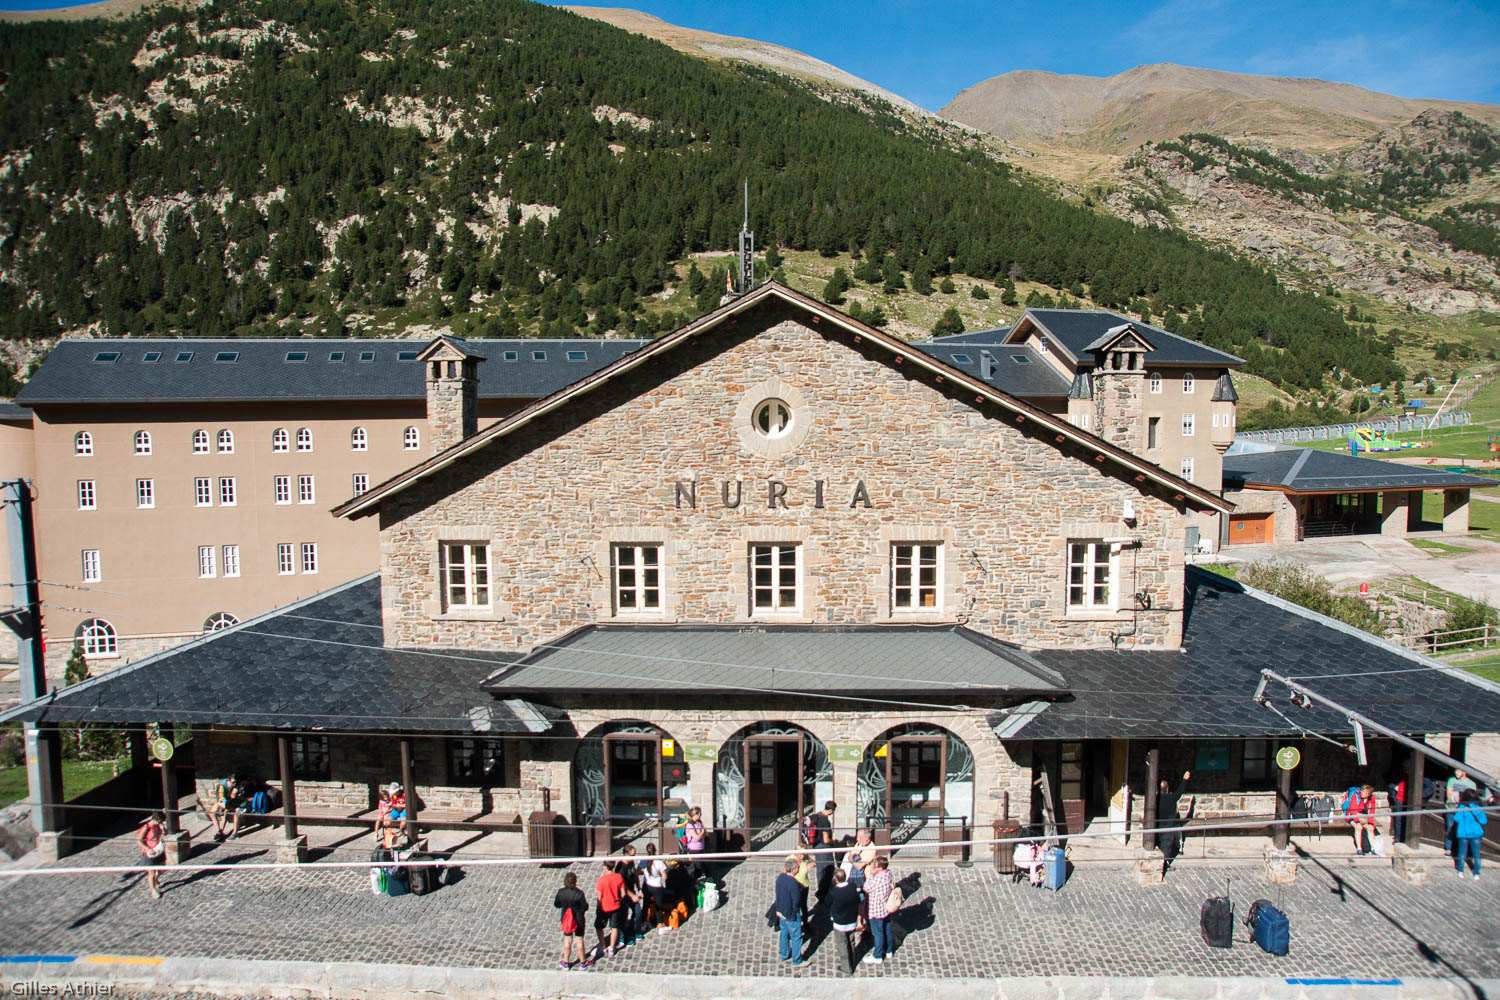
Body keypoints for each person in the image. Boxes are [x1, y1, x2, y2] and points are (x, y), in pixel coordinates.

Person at [825, 866, 862, 975]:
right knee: (851, 942)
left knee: (842, 945)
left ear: (835, 879)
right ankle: (852, 961)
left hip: (840, 923)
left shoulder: (834, 892)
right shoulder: (852, 887)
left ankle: (846, 967)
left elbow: (827, 904)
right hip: (851, 920)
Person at [1156, 770, 1191, 876]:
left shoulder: (1156, 799)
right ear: (1168, 789)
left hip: (1158, 826)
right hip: (1168, 827)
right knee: (1167, 847)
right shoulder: (1171, 798)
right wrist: (1185, 779)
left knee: (1160, 844)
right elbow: (1180, 791)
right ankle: (1164, 865)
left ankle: (1161, 863)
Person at [554, 871, 591, 970]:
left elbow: (557, 904)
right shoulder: (579, 894)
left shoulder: (561, 892)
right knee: (579, 940)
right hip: (578, 919)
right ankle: (583, 963)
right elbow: (585, 907)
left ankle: (565, 962)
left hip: (567, 919)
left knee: (567, 940)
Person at [862, 854, 894, 965]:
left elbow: (866, 888)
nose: (873, 868)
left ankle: (877, 956)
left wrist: (870, 875)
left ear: (880, 868)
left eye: (875, 866)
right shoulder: (888, 874)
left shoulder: (878, 878)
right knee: (887, 929)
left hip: (877, 910)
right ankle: (889, 950)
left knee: (878, 933)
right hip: (886, 909)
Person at [773, 856, 805, 967]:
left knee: (784, 933)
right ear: (793, 870)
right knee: (796, 937)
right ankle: (797, 960)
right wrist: (795, 913)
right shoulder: (793, 883)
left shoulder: (780, 878)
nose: (798, 870)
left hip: (781, 912)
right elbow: (796, 900)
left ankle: (784, 954)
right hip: (791, 914)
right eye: (797, 868)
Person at [592, 860, 626, 960]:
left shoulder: (602, 880)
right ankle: (611, 948)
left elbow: (599, 897)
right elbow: (623, 893)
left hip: (604, 908)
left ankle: (603, 947)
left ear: (605, 867)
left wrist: (598, 906)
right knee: (614, 927)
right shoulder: (618, 877)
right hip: (615, 907)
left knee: (599, 927)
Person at [1452, 789, 1487, 880]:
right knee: (1477, 855)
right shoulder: (1479, 808)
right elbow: (1484, 821)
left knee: (1462, 853)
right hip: (1476, 833)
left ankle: (1460, 872)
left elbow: (1456, 819)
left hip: (1464, 833)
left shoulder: (1462, 807)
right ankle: (1476, 874)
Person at [137, 811, 167, 899]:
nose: (160, 823)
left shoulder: (158, 826)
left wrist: (164, 830)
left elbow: (163, 834)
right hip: (149, 853)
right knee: (151, 872)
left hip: (158, 850)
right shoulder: (146, 828)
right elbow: (139, 841)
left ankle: (156, 879)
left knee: (162, 868)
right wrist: (148, 849)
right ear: (154, 820)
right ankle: (153, 890)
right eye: (159, 821)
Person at [617, 845, 644, 945]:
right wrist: (632, 895)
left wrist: (639, 888)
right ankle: (624, 937)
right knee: (623, 916)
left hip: (632, 891)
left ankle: (634, 931)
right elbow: (622, 885)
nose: (634, 857)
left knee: (637, 912)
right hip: (624, 895)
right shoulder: (621, 868)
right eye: (632, 855)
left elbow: (635, 875)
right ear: (625, 854)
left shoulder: (631, 862)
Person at [809, 800, 837, 896]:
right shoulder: (825, 820)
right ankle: (823, 891)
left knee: (820, 869)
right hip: (824, 847)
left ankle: (820, 889)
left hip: (816, 846)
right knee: (828, 868)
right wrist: (834, 841)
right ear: (831, 810)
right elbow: (826, 839)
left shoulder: (816, 816)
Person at [642, 844, 671, 935]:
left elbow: (638, 871)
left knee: (645, 905)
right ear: (655, 850)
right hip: (657, 887)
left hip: (646, 885)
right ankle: (661, 925)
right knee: (659, 906)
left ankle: (643, 923)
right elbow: (665, 876)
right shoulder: (659, 863)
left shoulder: (643, 861)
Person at [1347, 784, 1380, 855]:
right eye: (1362, 791)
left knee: (1370, 829)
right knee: (1358, 827)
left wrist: (1371, 823)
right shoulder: (1355, 796)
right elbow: (1353, 811)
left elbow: (1372, 812)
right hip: (1352, 816)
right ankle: (1359, 848)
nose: (1362, 793)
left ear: (1369, 794)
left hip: (1363, 817)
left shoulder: (1372, 799)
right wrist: (1357, 822)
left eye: (1365, 792)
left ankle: (1373, 848)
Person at [209, 776, 243, 842]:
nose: (234, 784)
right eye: (233, 782)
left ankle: (234, 833)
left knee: (228, 813)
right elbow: (221, 798)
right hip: (223, 801)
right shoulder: (222, 786)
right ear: (228, 781)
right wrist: (224, 805)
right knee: (212, 812)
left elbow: (236, 797)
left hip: (231, 802)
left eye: (235, 782)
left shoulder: (236, 786)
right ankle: (219, 831)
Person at [682, 806, 707, 876]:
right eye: (699, 814)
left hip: (701, 847)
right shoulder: (690, 825)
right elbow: (697, 837)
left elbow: (705, 833)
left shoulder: (699, 822)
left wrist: (703, 832)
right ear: (694, 815)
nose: (700, 816)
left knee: (702, 866)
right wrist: (702, 832)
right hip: (694, 849)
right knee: (697, 867)